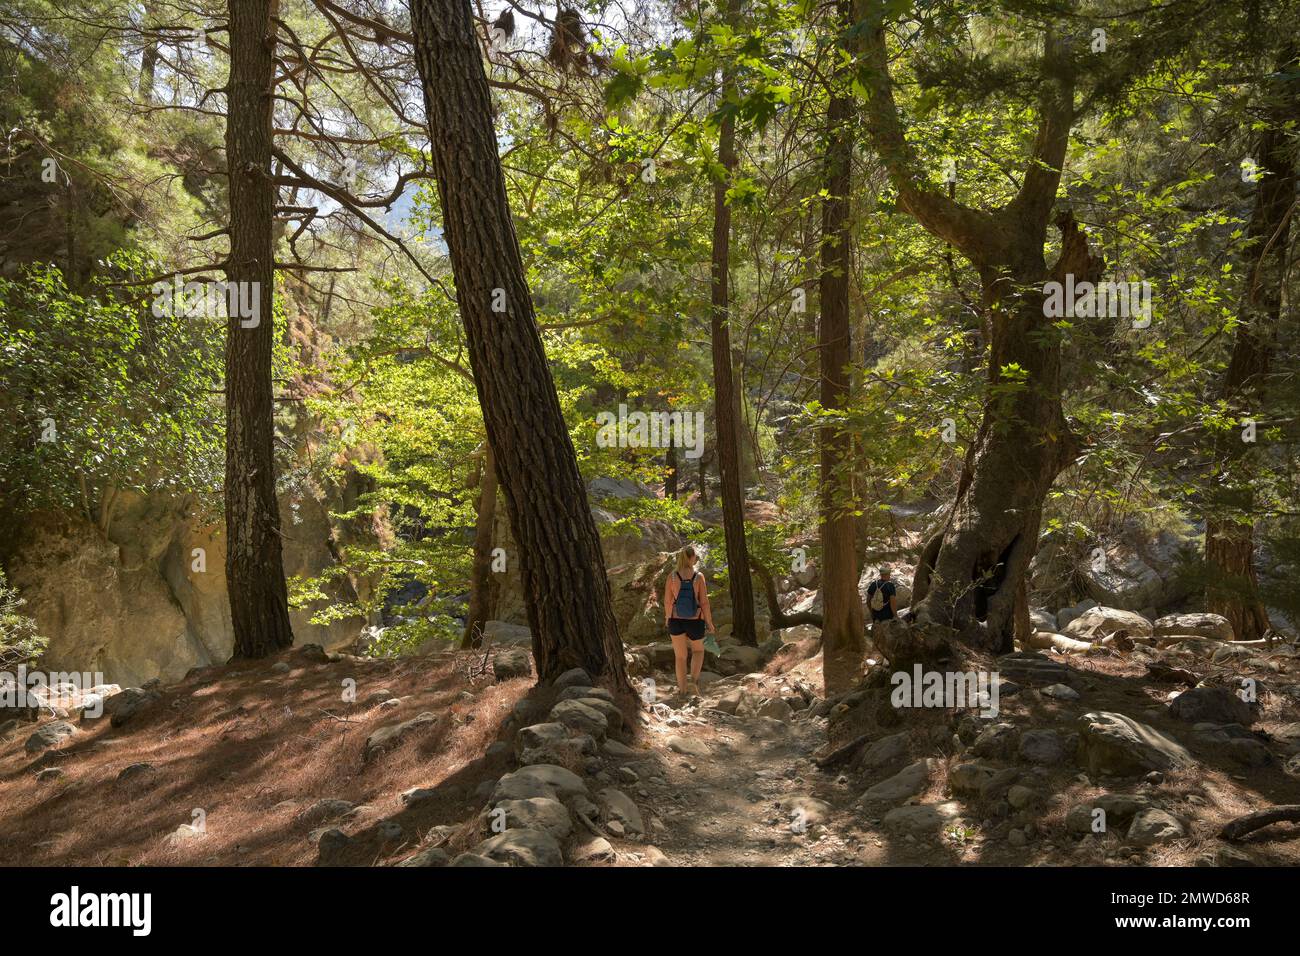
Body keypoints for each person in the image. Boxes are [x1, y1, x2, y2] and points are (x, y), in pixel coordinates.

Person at [663, 545, 715, 698]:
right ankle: (693, 682)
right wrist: (709, 623)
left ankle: (682, 690)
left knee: (680, 657)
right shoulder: (698, 577)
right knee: (698, 651)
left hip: (675, 619)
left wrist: (667, 617)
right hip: (695, 620)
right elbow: (704, 602)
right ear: (692, 558)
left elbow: (667, 601)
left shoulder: (672, 576)